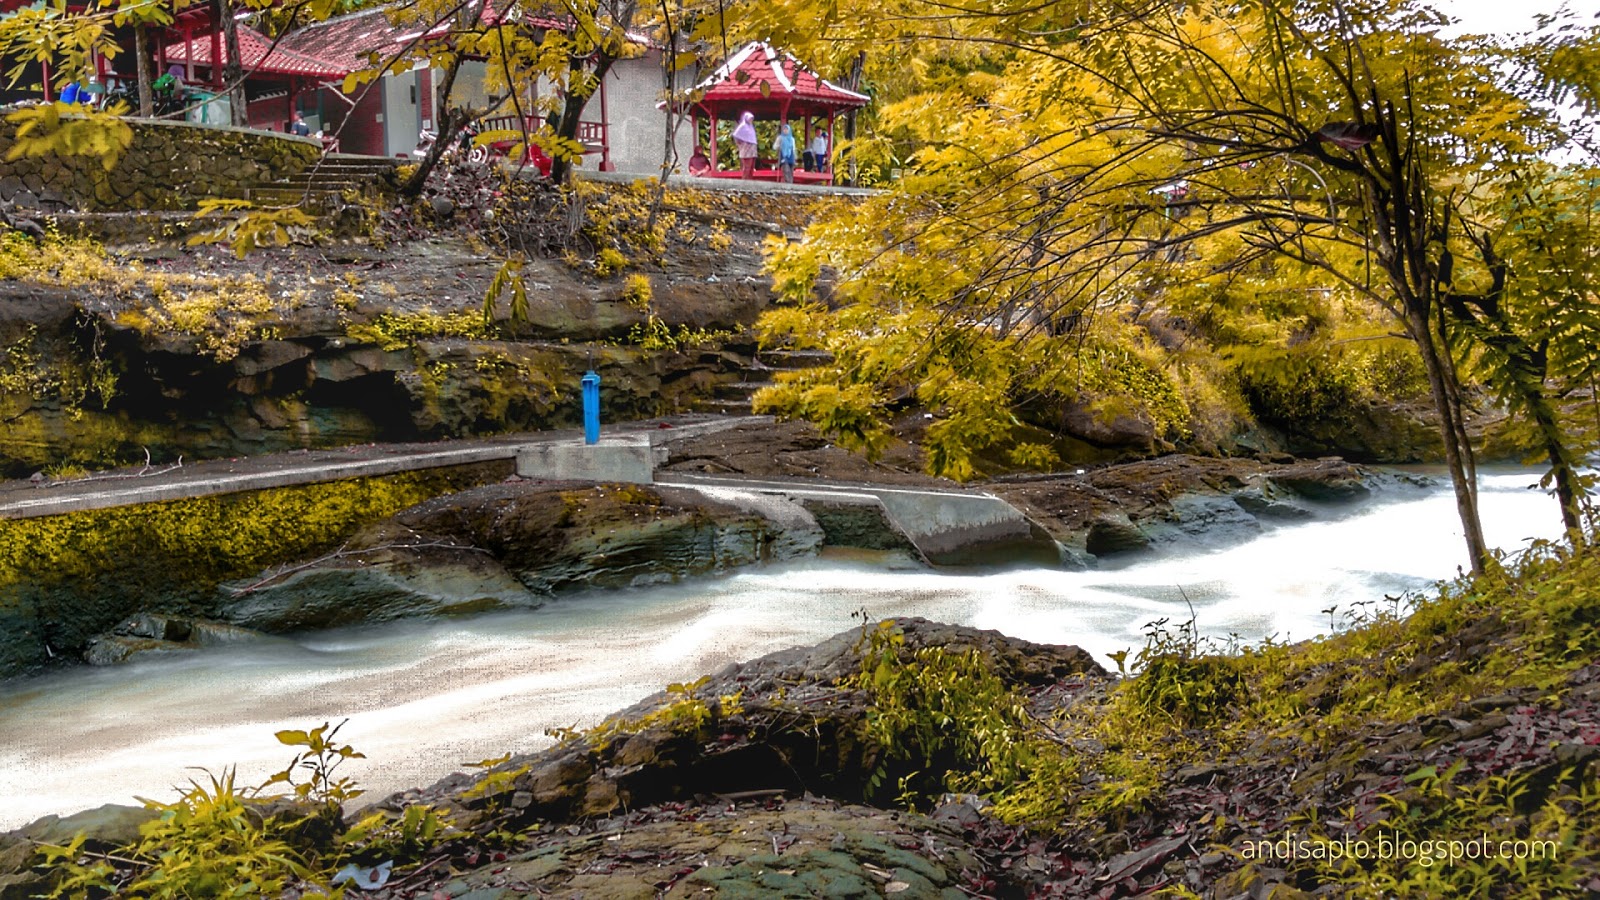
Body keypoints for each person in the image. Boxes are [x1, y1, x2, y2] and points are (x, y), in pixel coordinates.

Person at [732, 111, 758, 179]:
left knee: (751, 167)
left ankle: (750, 180)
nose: (751, 120)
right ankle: (744, 181)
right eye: (749, 118)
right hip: (746, 150)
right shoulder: (742, 126)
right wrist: (740, 143)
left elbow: (753, 138)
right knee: (747, 167)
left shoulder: (751, 127)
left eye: (752, 119)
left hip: (752, 150)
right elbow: (736, 135)